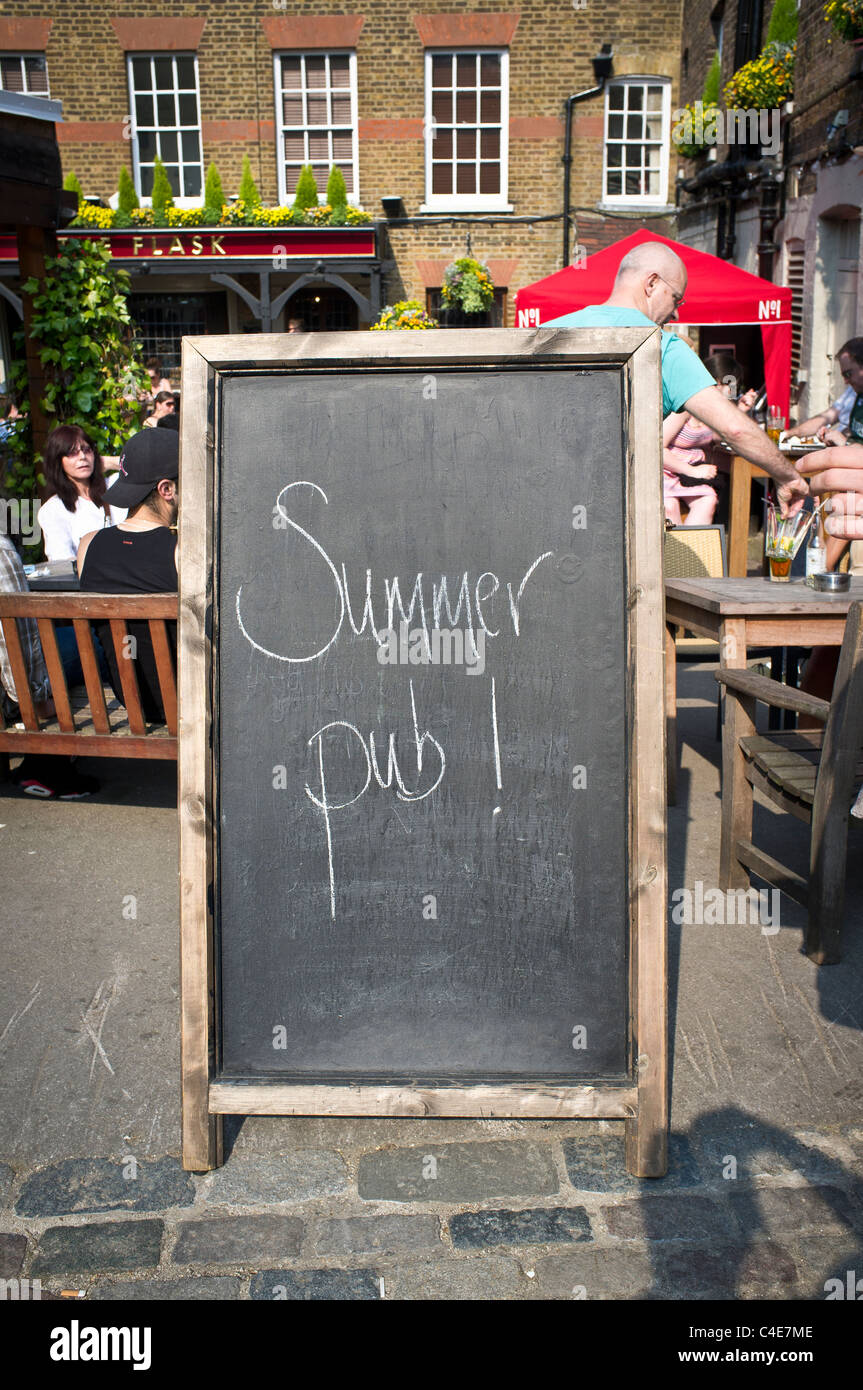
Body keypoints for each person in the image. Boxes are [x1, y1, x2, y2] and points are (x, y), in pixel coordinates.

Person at [546, 241, 808, 514]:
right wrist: (788, 476)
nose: (677, 312)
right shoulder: (665, 348)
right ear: (652, 283)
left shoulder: (548, 333)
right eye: (676, 298)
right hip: (616, 513)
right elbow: (735, 429)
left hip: (543, 505)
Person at [78, 429, 178, 725]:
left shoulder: (88, 544)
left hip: (130, 702)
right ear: (167, 489)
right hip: (183, 702)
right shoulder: (182, 552)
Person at [0, 528, 99, 797]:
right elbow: (17, 640)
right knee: (95, 643)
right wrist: (35, 701)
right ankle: (47, 763)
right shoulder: (2, 551)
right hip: (8, 692)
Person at [662, 354, 757, 525]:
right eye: (733, 385)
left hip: (689, 475)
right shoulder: (685, 406)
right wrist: (692, 471)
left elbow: (719, 435)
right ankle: (675, 551)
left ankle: (692, 550)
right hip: (667, 472)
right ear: (718, 382)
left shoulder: (710, 410)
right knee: (669, 506)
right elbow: (656, 449)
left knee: (709, 499)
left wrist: (741, 410)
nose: (734, 391)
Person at [37, 425, 126, 562]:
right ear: (58, 461)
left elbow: (150, 467)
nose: (82, 457)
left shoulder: (114, 485)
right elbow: (62, 562)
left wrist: (109, 462)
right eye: (72, 453)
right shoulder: (53, 510)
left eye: (87, 450)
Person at [794, 339, 863, 442]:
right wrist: (835, 436)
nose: (846, 381)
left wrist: (844, 442)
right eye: (844, 376)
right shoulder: (856, 392)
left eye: (848, 374)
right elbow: (828, 416)